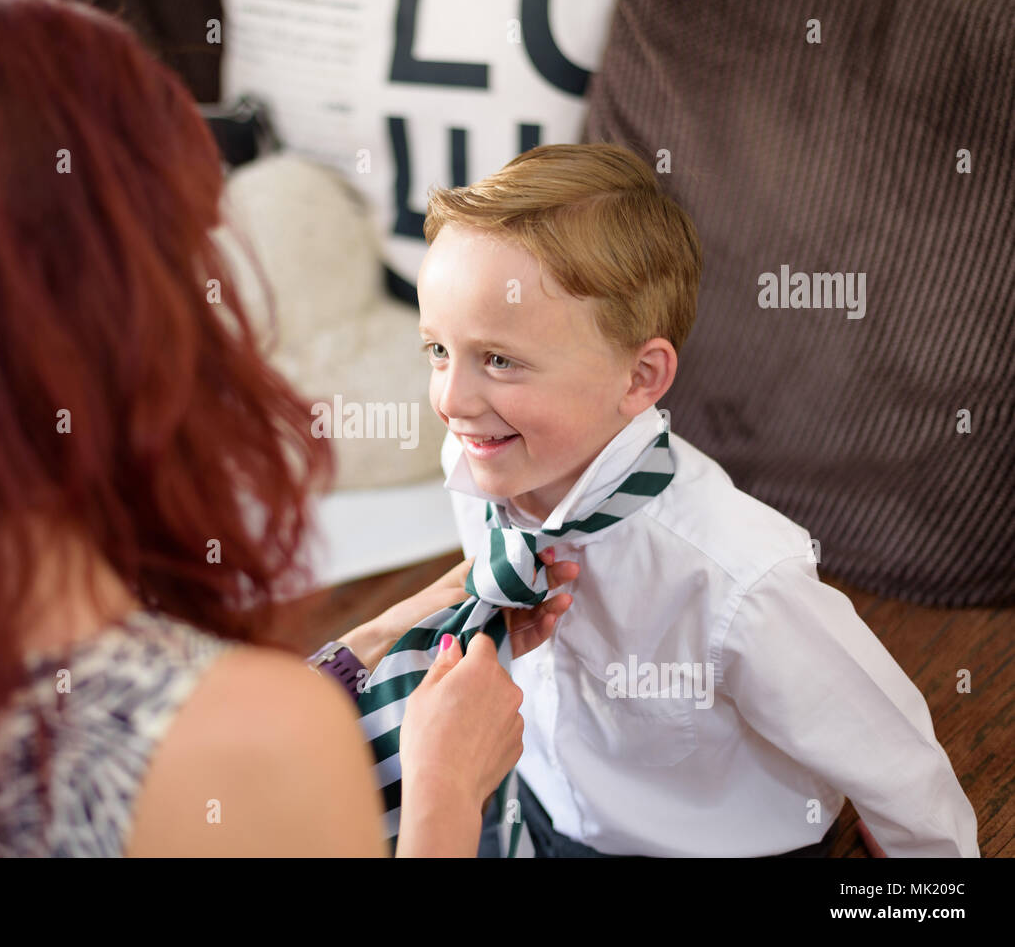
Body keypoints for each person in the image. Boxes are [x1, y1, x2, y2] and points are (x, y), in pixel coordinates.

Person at [0, 0, 578, 857]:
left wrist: (367, 650)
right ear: (128, 305)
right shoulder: (251, 747)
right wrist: (444, 792)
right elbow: (207, 757)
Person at [416, 141, 980, 857]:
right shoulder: (479, 460)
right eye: (437, 349)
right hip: (534, 806)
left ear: (640, 376)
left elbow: (895, 756)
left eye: (499, 359)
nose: (452, 399)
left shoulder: (739, 577)